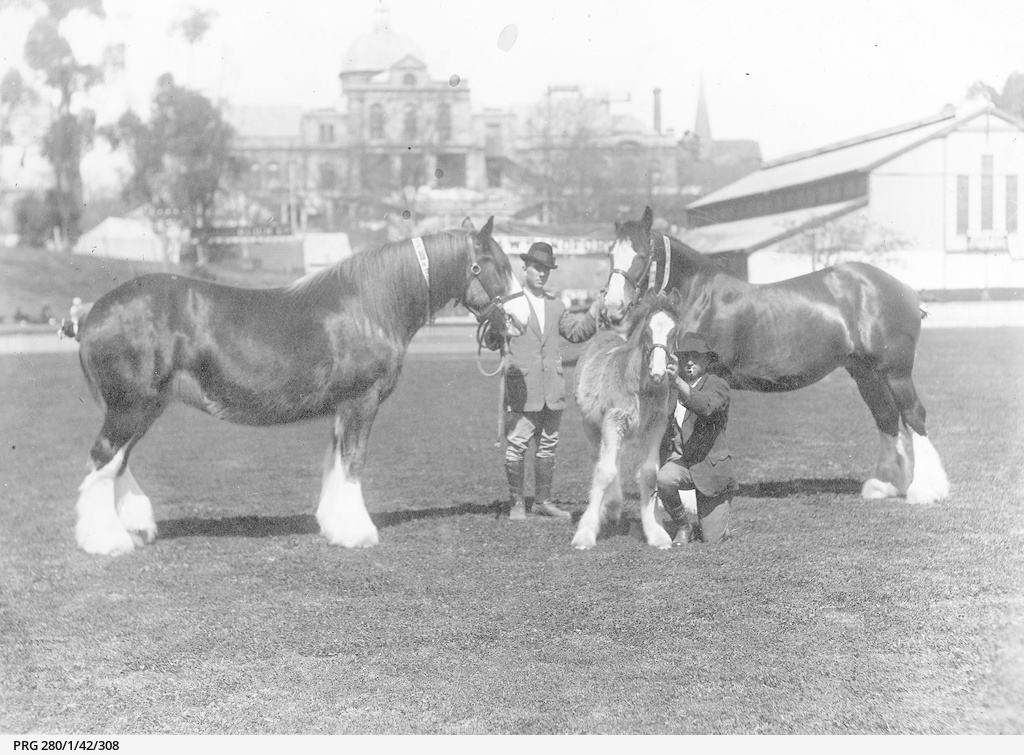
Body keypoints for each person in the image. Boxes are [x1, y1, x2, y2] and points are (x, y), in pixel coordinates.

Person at [491, 241, 598, 520]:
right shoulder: (510, 304)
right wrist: (495, 322)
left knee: (548, 446)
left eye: (546, 269)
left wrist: (597, 309)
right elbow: (493, 341)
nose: (541, 273)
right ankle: (516, 504)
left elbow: (576, 333)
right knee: (517, 444)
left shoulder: (556, 304)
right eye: (537, 267)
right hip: (522, 390)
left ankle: (542, 502)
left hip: (552, 389)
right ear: (524, 268)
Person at [657, 331, 736, 544]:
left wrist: (679, 384)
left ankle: (717, 522)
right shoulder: (673, 388)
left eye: (696, 356)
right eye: (684, 357)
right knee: (664, 478)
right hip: (683, 464)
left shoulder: (718, 385)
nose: (689, 361)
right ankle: (684, 526)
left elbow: (706, 406)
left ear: (706, 360)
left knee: (712, 539)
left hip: (710, 470)